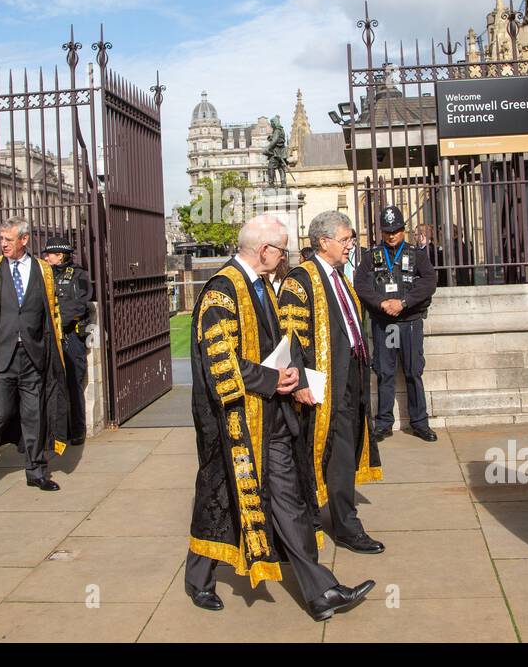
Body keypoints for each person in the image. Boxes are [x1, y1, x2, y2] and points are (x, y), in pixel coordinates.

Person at [185, 214, 374, 621]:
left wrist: (293, 376)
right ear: (265, 250)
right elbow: (222, 364)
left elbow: (282, 344)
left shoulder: (262, 289)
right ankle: (197, 577)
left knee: (287, 501)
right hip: (235, 422)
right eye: (283, 248)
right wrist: (274, 379)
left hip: (271, 418)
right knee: (220, 499)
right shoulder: (221, 292)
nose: (287, 256)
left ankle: (321, 593)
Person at [278, 210, 384, 554]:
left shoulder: (340, 277)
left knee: (347, 449)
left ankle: (339, 518)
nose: (351, 245)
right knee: (333, 454)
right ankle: (345, 526)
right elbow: (290, 336)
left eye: (351, 239)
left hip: (351, 376)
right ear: (324, 242)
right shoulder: (301, 279)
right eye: (345, 239)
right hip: (325, 382)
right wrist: (302, 382)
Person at [0, 218, 69, 492]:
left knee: (34, 416)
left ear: (24, 240)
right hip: (1, 357)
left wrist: (50, 350)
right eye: (1, 239)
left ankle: (36, 471)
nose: (3, 244)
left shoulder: (43, 270)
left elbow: (51, 312)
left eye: (8, 239)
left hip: (32, 356)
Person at [355, 205, 438, 442]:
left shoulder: (416, 255)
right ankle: (383, 423)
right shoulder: (372, 256)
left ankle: (419, 422)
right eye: (387, 231)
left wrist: (403, 302)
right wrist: (382, 303)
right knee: (384, 372)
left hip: (409, 323)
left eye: (396, 230)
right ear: (381, 232)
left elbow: (429, 282)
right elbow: (361, 285)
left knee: (413, 372)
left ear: (403, 230)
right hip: (385, 324)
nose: (392, 235)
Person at [43, 236, 92, 446]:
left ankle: (77, 430)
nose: (46, 257)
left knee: (73, 382)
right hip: (49, 335)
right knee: (49, 384)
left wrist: (56, 323)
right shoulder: (44, 274)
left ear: (59, 255)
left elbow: (79, 305)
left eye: (49, 254)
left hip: (71, 335)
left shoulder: (79, 275)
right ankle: (52, 432)